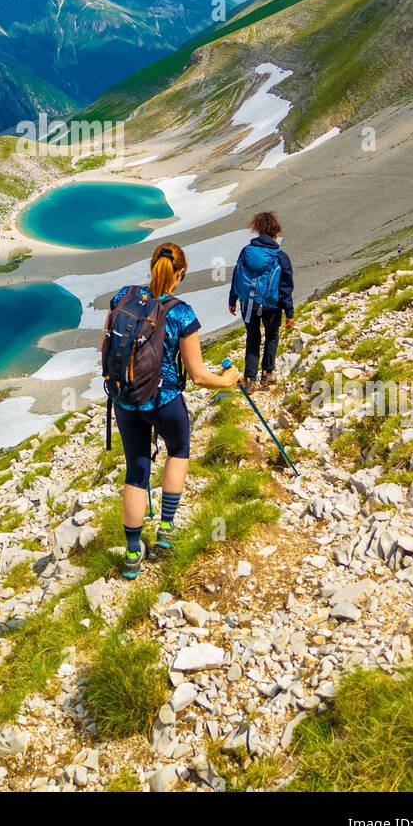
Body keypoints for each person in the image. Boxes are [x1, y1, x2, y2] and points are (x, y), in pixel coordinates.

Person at [102, 242, 241, 580]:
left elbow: (111, 340)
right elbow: (197, 375)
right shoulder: (181, 313)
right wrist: (228, 380)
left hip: (125, 399)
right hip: (164, 401)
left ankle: (133, 553)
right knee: (178, 451)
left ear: (152, 267)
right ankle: (166, 529)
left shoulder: (124, 294)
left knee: (136, 471)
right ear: (180, 274)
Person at [228, 210, 294, 392]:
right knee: (271, 335)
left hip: (247, 303)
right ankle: (267, 376)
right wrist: (289, 313)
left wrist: (233, 299)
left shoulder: (246, 251)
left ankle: (250, 380)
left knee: (253, 337)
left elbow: (236, 275)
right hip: (271, 305)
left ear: (258, 230)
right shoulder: (280, 256)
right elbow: (286, 287)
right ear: (275, 232)